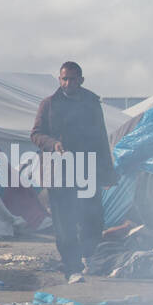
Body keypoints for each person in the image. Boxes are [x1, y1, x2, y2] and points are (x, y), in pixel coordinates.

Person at [31, 61, 117, 278]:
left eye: (72, 78)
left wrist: (107, 172)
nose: (68, 83)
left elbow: (100, 138)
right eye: (64, 78)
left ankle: (88, 257)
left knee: (93, 218)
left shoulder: (91, 103)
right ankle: (71, 266)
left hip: (88, 168)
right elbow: (36, 134)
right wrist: (53, 144)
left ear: (81, 80)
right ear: (59, 80)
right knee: (64, 221)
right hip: (58, 170)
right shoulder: (48, 104)